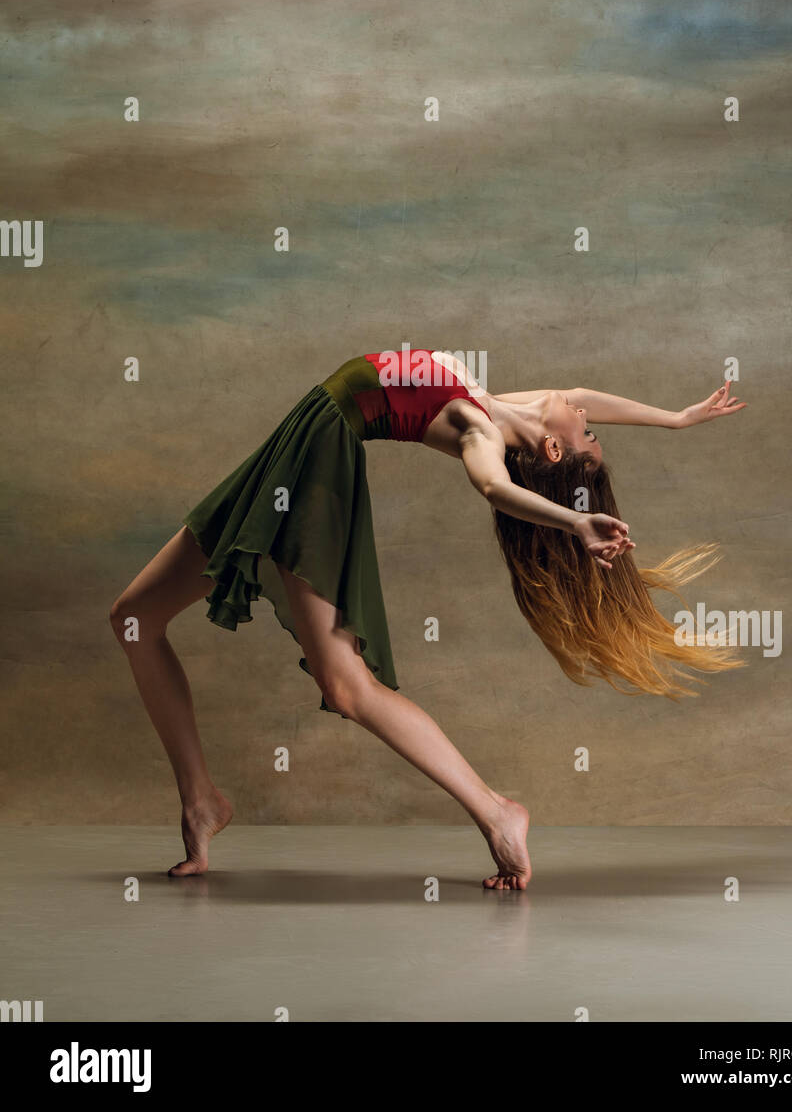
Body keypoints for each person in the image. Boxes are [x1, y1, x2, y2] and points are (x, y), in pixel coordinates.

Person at [109, 347, 746, 889]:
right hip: (300, 439)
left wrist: (575, 522)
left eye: (590, 435)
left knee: (345, 685)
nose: (589, 418)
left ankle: (496, 812)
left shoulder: (480, 430)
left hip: (317, 464)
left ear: (553, 447)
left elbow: (494, 488)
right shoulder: (504, 405)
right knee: (134, 617)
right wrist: (676, 419)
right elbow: (580, 397)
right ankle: (201, 799)